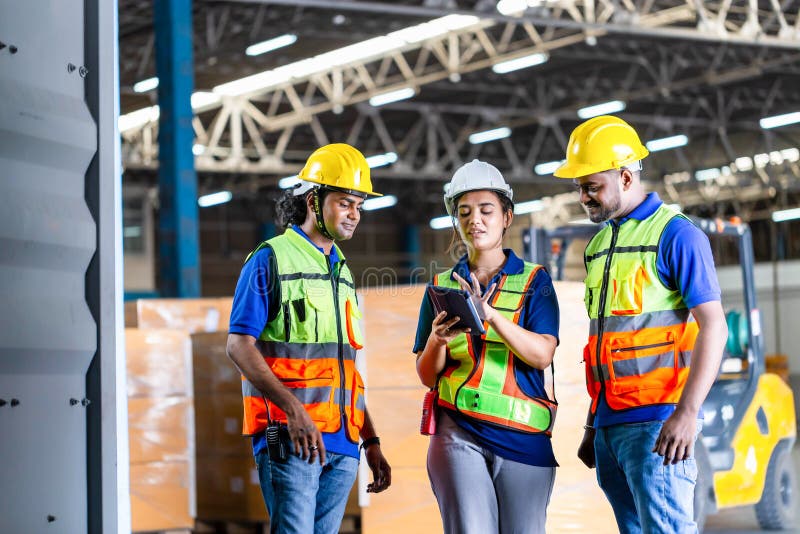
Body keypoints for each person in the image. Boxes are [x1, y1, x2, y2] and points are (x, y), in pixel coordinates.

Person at [553, 115, 728, 533]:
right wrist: (595, 423)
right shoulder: (597, 246)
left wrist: (687, 412)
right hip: (611, 426)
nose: (583, 197)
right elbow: (606, 342)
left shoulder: (677, 236)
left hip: (659, 423)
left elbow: (714, 327)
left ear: (626, 178)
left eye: (592, 186)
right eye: (579, 187)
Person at [227, 143, 391, 534]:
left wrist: (371, 440)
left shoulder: (343, 272)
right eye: (345, 203)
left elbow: (343, 368)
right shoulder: (271, 259)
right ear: (313, 200)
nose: (354, 215)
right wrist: (293, 412)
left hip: (343, 443)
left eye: (359, 207)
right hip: (289, 436)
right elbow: (238, 345)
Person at [414, 159, 560, 534]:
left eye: (485, 210)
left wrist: (492, 315)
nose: (474, 220)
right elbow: (427, 373)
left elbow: (542, 354)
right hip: (458, 432)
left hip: (523, 437)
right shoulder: (443, 286)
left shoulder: (535, 282)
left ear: (507, 217)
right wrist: (436, 340)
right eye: (464, 212)